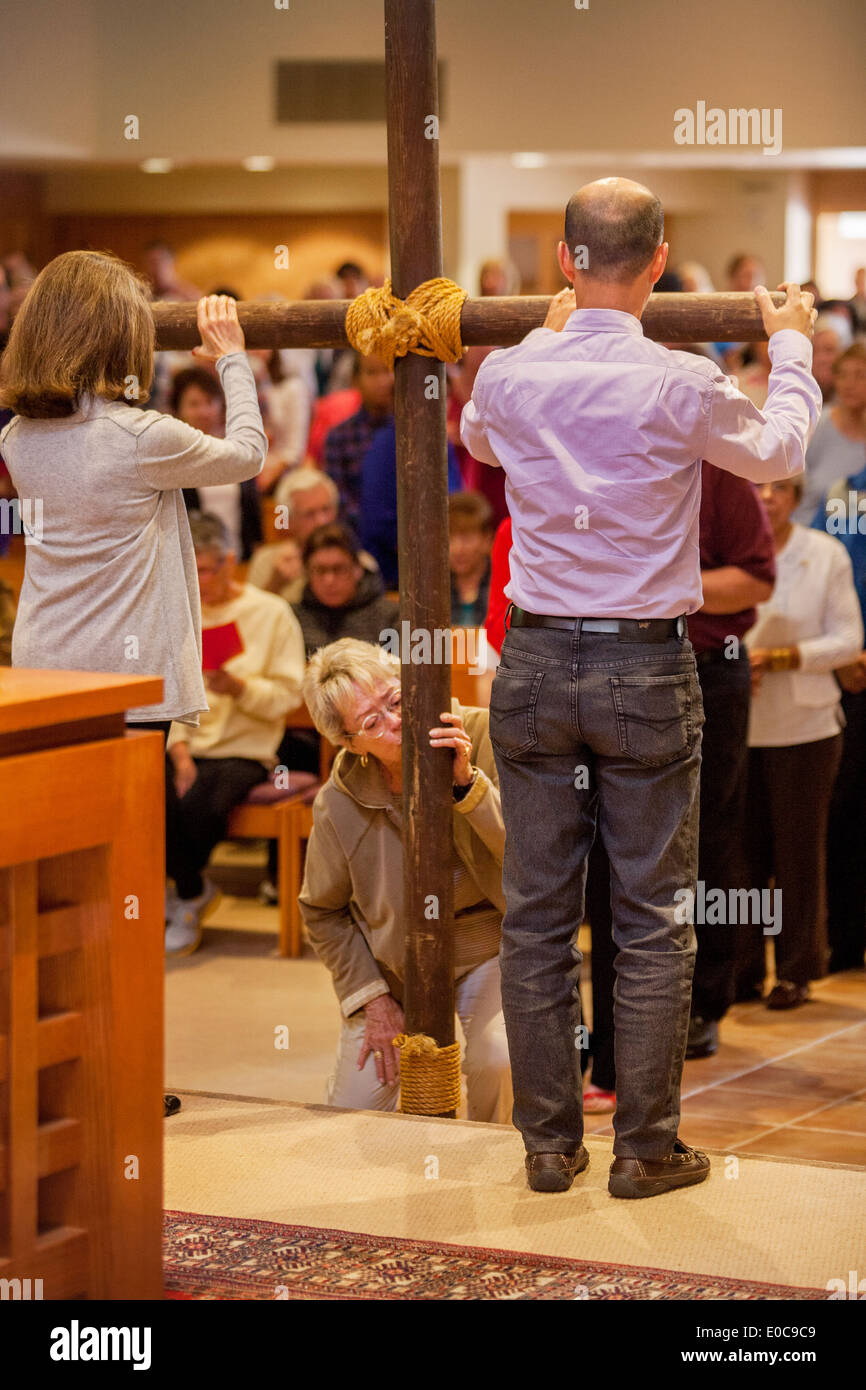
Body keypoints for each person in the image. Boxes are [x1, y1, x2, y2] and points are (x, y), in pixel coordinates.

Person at [460, 176, 821, 1200]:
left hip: (530, 661)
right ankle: (644, 1146)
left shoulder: (515, 373)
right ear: (657, 262)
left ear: (564, 262)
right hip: (641, 665)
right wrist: (787, 338)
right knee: (652, 916)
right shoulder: (673, 378)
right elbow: (779, 449)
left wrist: (539, 337)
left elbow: (477, 440)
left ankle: (544, 1144)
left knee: (534, 916)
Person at [0, 256, 267, 1118]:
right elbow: (249, 457)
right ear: (117, 337)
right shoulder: (139, 437)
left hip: (45, 678)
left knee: (58, 881)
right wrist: (230, 356)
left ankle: (62, 1062)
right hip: (124, 691)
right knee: (125, 889)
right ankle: (120, 1071)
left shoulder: (16, 435)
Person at [298, 638, 511, 1122]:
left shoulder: (486, 732)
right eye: (372, 723)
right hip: (398, 970)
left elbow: (534, 857)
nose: (395, 722)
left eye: (396, 700)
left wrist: (468, 786)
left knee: (497, 1058)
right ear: (352, 744)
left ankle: (493, 1175)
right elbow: (322, 910)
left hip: (492, 948)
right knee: (352, 1113)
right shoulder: (339, 799)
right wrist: (372, 998)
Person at [738, 477, 862, 1007]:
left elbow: (848, 641)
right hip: (739, 724)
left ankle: (796, 969)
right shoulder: (726, 551)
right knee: (739, 857)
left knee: (797, 853)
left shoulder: (825, 552)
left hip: (807, 727)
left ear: (797, 496)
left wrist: (781, 657)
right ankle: (739, 970)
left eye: (781, 487)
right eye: (758, 486)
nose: (768, 496)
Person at [165, 512, 305, 955]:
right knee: (147, 793)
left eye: (209, 568)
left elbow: (288, 693)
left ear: (230, 561)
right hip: (184, 743)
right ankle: (192, 892)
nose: (201, 579)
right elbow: (164, 692)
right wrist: (180, 752)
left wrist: (240, 687)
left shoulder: (270, 612)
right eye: (193, 569)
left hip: (247, 747)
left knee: (203, 803)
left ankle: (185, 899)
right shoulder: (177, 611)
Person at [171, 366, 263, 561]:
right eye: (194, 404)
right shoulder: (173, 459)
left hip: (238, 557)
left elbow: (252, 513)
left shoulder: (236, 450)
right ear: (178, 410)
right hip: (192, 562)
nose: (203, 411)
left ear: (221, 406)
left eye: (209, 402)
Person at [360, 418, 463, 590]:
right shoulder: (384, 445)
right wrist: (423, 553)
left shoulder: (441, 441)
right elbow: (378, 519)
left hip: (442, 561)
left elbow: (455, 501)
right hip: (396, 570)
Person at [291, 523, 399, 657]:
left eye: (339, 569)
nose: (329, 580)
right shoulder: (292, 618)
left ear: (358, 569)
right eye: (320, 570)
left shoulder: (391, 618)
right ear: (307, 571)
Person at [793, 343, 866, 525]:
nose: (850, 384)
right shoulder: (814, 424)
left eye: (860, 376)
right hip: (809, 529)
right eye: (842, 375)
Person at [323, 353, 394, 533]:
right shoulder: (339, 436)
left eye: (387, 371)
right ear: (355, 380)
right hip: (359, 534)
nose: (382, 381)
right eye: (371, 373)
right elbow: (338, 495)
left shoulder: (412, 430)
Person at [449, 492, 494, 628]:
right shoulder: (432, 587)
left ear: (487, 539)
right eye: (449, 538)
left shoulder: (505, 587)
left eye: (466, 538)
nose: (457, 549)